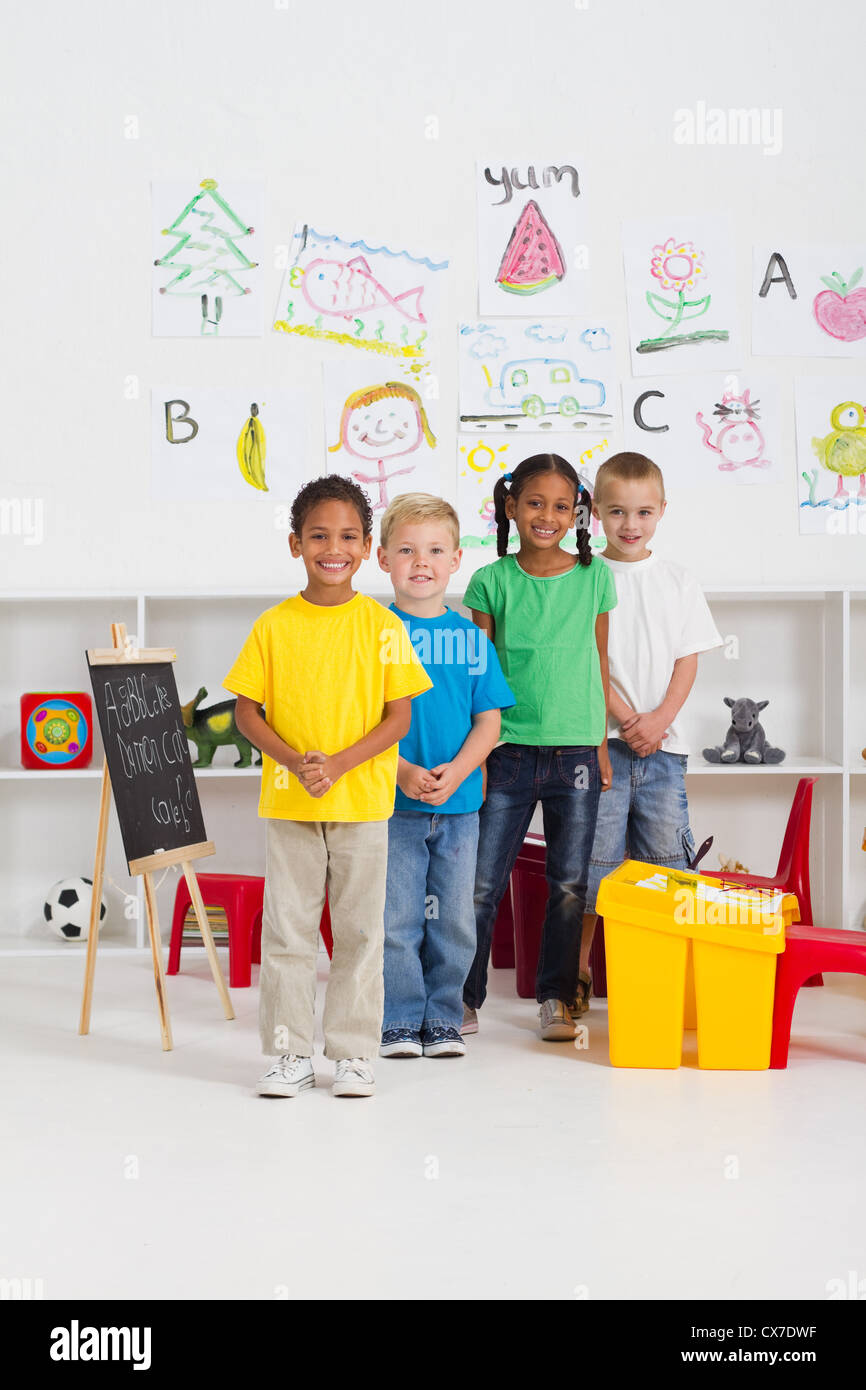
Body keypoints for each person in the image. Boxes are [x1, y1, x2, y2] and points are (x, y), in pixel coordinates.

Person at [224, 474, 432, 1099]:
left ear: (367, 547)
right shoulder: (273, 625)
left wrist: (337, 765)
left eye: (347, 536)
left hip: (364, 802)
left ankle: (352, 1053)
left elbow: (399, 717)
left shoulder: (382, 626)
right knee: (287, 931)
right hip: (290, 802)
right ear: (296, 544)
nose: (332, 548)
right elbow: (246, 713)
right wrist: (296, 761)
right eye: (318, 536)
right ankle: (288, 1053)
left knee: (361, 930)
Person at [461, 453, 617, 1041]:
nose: (547, 516)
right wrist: (473, 755)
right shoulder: (491, 580)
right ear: (510, 508)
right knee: (481, 881)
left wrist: (600, 743)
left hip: (576, 751)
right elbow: (477, 675)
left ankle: (556, 998)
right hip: (505, 751)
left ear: (577, 512)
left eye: (560, 506)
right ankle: (464, 996)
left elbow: (600, 660)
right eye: (534, 503)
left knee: (569, 882)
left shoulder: (594, 576)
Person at [579, 451, 723, 1012]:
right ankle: (578, 977)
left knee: (666, 862)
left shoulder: (678, 580)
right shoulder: (585, 576)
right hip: (603, 745)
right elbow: (587, 659)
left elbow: (688, 659)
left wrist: (659, 720)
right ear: (596, 513)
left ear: (662, 512)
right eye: (616, 512)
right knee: (595, 865)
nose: (630, 525)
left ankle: (667, 975)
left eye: (642, 513)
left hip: (665, 749)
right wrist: (622, 715)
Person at [376, 493, 515, 1058]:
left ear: (457, 559)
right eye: (406, 549)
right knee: (397, 919)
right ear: (383, 558)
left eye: (434, 550)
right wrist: (402, 771)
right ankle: (400, 1020)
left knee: (454, 919)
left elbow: (490, 722)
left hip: (459, 807)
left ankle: (444, 1018)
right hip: (390, 806)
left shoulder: (471, 639)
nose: (421, 561)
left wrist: (456, 773)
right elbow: (357, 724)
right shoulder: (371, 634)